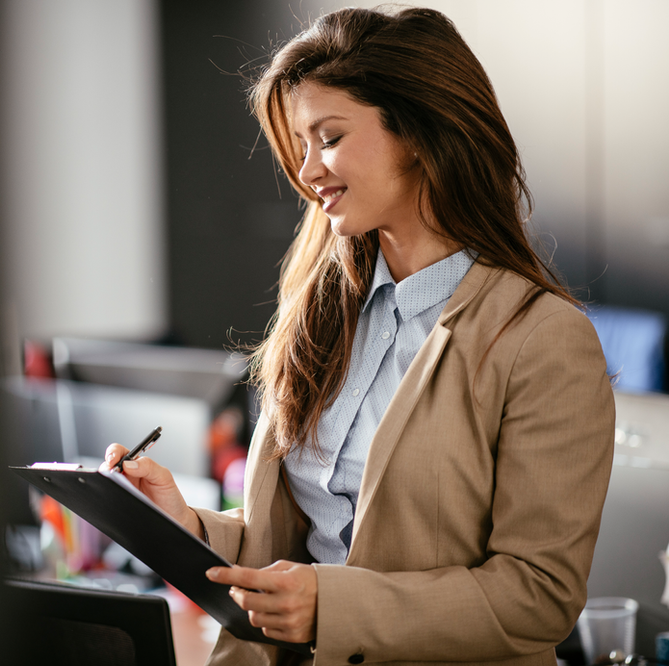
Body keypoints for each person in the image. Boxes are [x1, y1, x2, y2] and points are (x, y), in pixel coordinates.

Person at [101, 7, 615, 665]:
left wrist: (332, 605)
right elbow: (302, 549)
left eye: (330, 137)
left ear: (421, 135)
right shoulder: (323, 315)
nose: (308, 170)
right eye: (301, 143)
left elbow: (538, 596)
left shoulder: (541, 340)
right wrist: (191, 527)